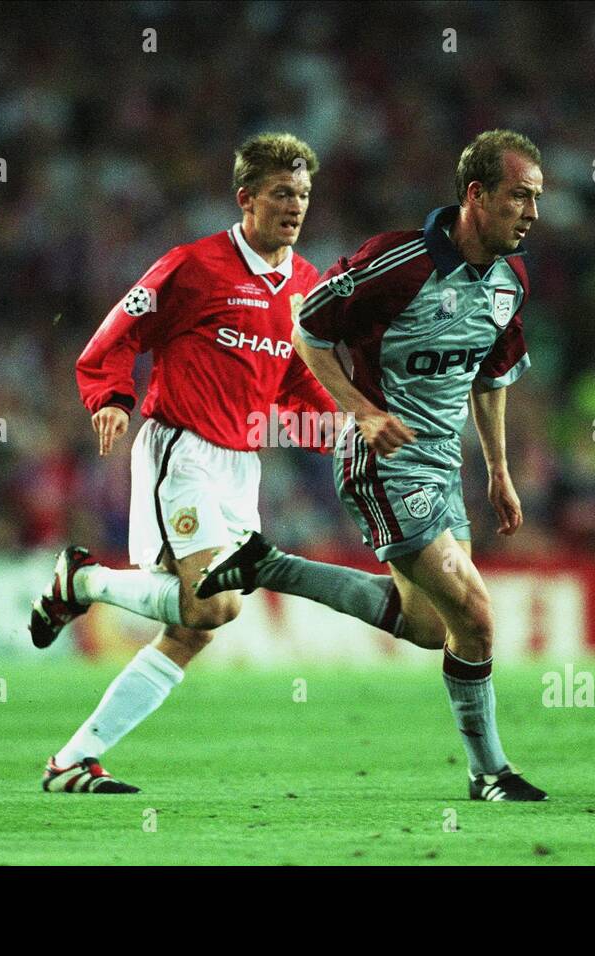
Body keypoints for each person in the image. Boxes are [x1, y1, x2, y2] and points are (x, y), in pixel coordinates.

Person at [198, 130, 549, 802]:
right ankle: (489, 772)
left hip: (444, 466)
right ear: (476, 195)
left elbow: (491, 376)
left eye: (536, 199)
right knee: (474, 615)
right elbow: (308, 328)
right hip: (381, 461)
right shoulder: (399, 263)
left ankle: (266, 564)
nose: (532, 212)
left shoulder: (512, 280)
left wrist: (498, 470)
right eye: (519, 197)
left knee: (428, 627)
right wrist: (360, 410)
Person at [27, 132, 366, 794]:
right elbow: (116, 335)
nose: (294, 206)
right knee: (213, 608)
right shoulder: (194, 267)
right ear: (245, 198)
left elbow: (297, 381)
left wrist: (343, 429)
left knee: (193, 629)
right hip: (181, 448)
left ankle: (72, 760)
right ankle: (84, 582)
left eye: (302, 194)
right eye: (280, 193)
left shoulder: (306, 286)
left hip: (243, 466)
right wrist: (113, 398)